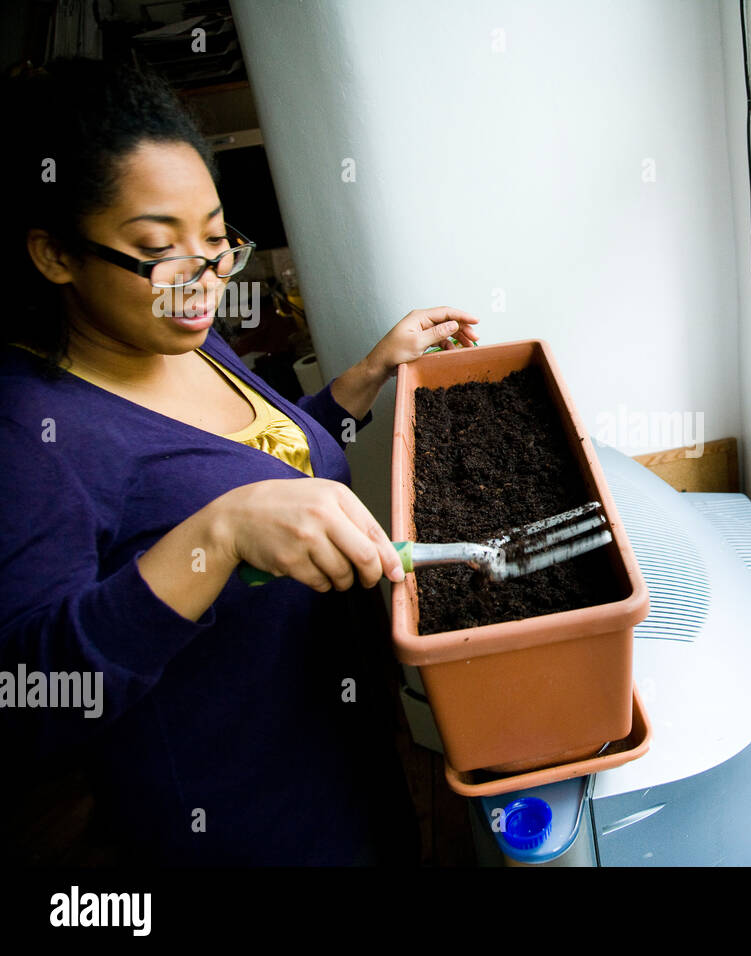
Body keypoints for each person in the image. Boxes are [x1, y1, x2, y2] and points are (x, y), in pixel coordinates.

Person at [0, 57, 480, 865]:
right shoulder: (33, 429)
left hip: (341, 742)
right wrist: (213, 539)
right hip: (237, 813)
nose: (205, 279)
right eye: (158, 248)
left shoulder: (187, 337)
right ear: (55, 255)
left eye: (218, 241)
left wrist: (362, 381)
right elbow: (31, 701)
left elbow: (261, 463)